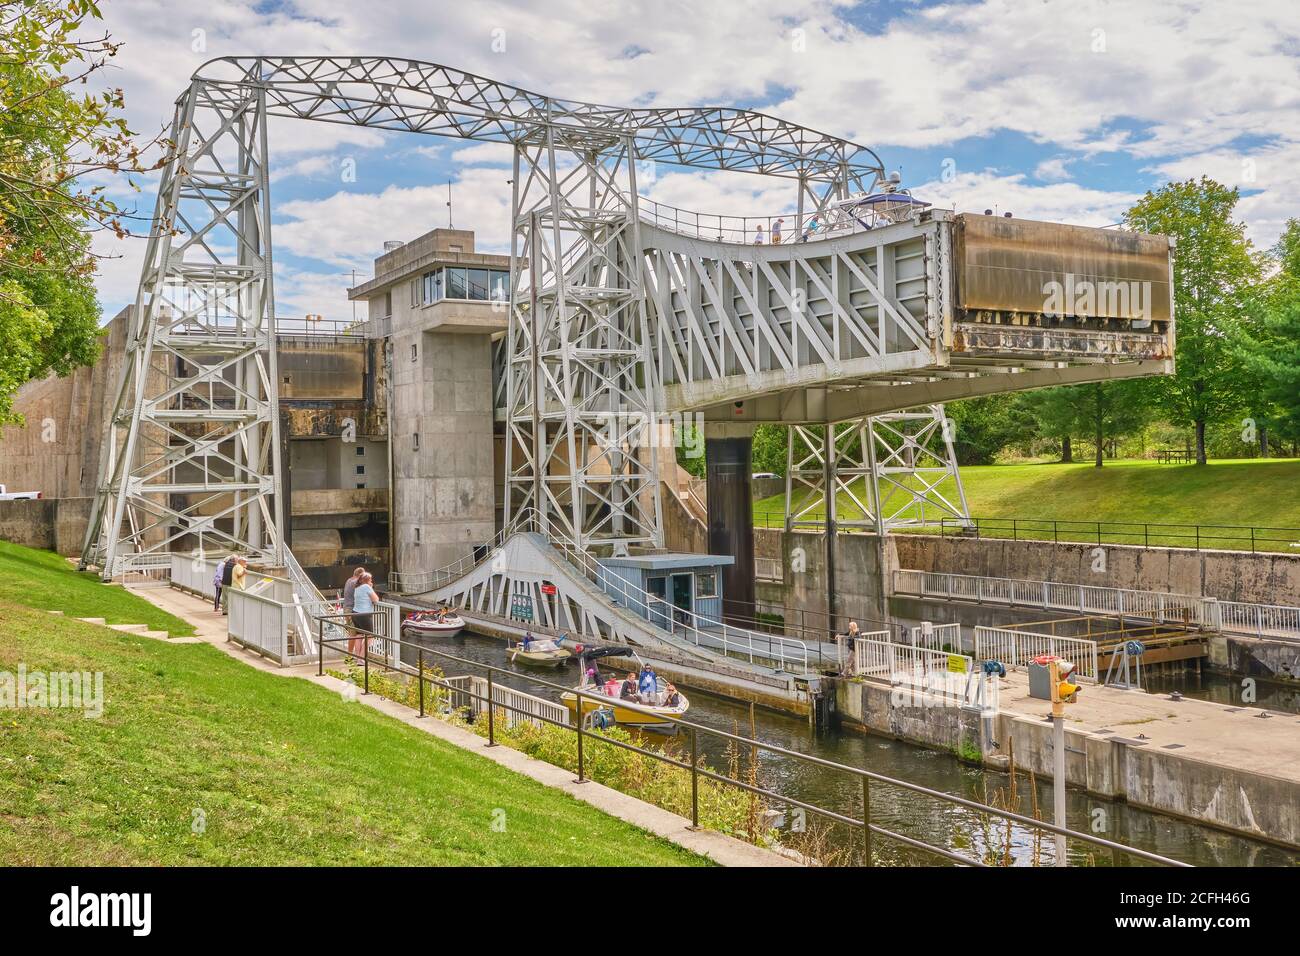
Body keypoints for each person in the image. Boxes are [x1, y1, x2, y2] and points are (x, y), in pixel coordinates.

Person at [350, 572, 379, 660]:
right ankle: (362, 659)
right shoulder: (366, 587)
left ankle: (357, 657)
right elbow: (376, 600)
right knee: (370, 636)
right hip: (364, 614)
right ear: (367, 580)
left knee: (359, 635)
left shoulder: (357, 587)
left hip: (355, 613)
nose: (371, 581)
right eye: (370, 579)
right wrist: (370, 587)